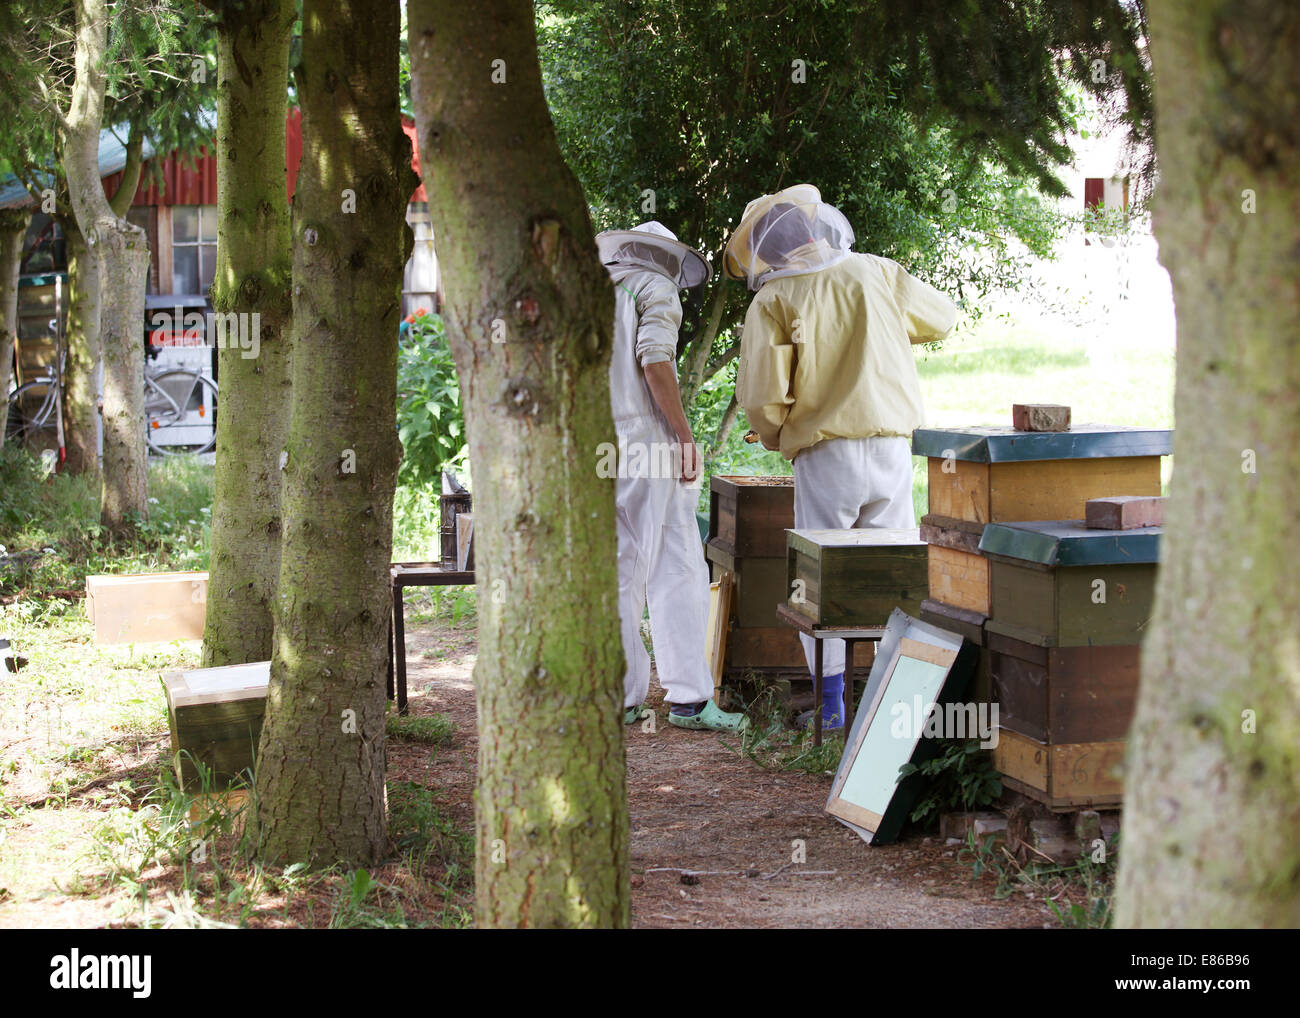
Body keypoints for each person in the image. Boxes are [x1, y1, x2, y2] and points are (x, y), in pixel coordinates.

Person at [727, 185, 958, 730]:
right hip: (891, 449)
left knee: (819, 585)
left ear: (771, 251)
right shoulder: (877, 271)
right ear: (815, 228)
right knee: (890, 580)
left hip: (826, 454)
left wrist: (773, 434)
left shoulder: (776, 299)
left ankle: (832, 713)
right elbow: (942, 317)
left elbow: (762, 394)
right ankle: (887, 711)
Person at [597, 221, 749, 732]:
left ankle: (621, 697)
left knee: (617, 571)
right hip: (645, 444)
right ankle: (688, 700)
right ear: (660, 256)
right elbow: (655, 360)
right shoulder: (654, 286)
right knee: (676, 563)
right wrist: (684, 436)